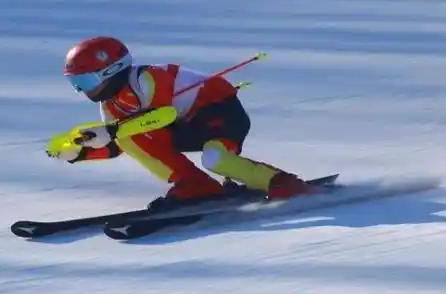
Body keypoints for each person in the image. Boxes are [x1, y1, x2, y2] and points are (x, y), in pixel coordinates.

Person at [48, 35, 317, 209]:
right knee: (127, 136)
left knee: (215, 159)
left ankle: (282, 182)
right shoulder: (110, 104)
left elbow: (164, 115)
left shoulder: (147, 79)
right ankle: (195, 184)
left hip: (219, 113)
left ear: (111, 70)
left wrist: (113, 130)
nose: (83, 91)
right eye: (76, 84)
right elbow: (120, 144)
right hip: (185, 127)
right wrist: (79, 153)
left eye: (85, 82)